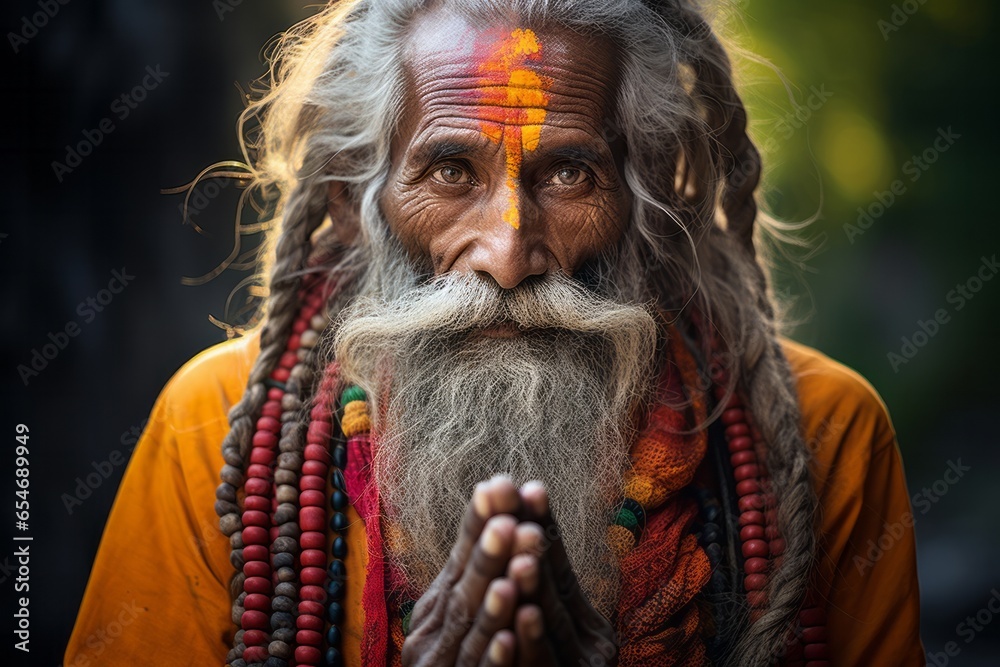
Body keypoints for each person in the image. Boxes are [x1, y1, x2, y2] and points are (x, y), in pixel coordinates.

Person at [64, 1, 924, 665]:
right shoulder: (211, 423)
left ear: (646, 196)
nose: (509, 255)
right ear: (351, 201)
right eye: (450, 170)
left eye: (569, 171)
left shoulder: (822, 432)